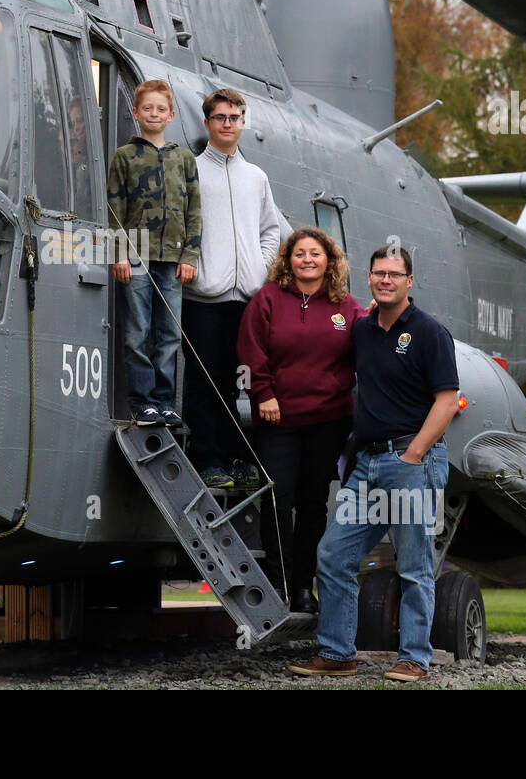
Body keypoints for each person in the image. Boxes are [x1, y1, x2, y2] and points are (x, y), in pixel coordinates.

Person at [289, 244, 460, 682]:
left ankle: (414, 659)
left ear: (409, 281)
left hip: (410, 462)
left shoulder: (428, 332)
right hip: (366, 466)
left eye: (394, 274)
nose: (386, 280)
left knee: (413, 563)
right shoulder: (363, 330)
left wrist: (415, 453)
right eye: (379, 273)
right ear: (369, 279)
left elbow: (447, 400)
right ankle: (337, 653)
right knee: (332, 554)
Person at [237, 227, 367, 612]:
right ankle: (277, 585)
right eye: (299, 253)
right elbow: (249, 350)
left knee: (313, 505)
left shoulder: (347, 307)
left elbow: (370, 345)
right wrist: (263, 393)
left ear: (329, 260)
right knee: (277, 499)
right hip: (278, 418)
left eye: (315, 253)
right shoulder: (268, 300)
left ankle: (302, 589)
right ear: (288, 260)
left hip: (329, 420)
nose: (307, 259)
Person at [182, 88, 282, 488]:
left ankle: (238, 458)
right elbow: (182, 228)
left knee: (239, 380)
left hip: (247, 300)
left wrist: (258, 269)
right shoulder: (189, 171)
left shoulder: (256, 177)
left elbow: (270, 230)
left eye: (234, 117)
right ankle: (207, 459)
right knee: (204, 379)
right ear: (208, 123)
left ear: (243, 123)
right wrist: (197, 267)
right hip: (203, 297)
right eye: (220, 117)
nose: (227, 124)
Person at [107, 79, 201, 426]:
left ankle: (165, 402)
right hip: (136, 254)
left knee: (169, 334)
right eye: (148, 108)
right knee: (137, 331)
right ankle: (141, 401)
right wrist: (119, 253)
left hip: (174, 259)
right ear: (136, 113)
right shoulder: (124, 156)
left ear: (171, 114)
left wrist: (190, 257)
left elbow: (194, 212)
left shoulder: (184, 159)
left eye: (161, 108)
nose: (154, 114)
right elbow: (115, 206)